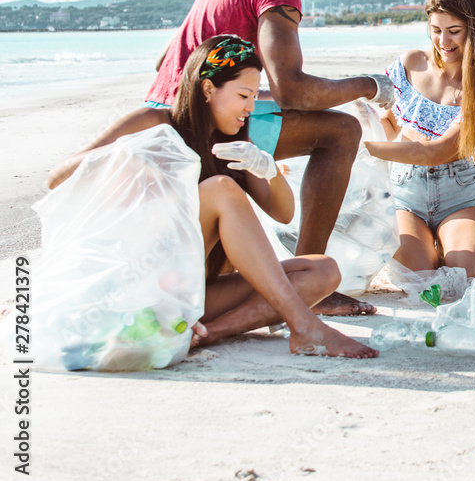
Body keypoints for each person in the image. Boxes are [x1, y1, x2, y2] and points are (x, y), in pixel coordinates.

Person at [50, 36, 378, 359]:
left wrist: (269, 170)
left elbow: (283, 212)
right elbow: (57, 179)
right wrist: (133, 159)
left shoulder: (235, 143)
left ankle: (207, 333)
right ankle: (305, 327)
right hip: (141, 290)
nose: (251, 107)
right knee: (221, 188)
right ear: (208, 89)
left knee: (323, 272)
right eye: (244, 95)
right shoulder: (154, 124)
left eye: (254, 96)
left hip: (196, 291)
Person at [146, 0, 391, 317]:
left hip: (161, 113)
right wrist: (372, 86)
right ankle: (311, 280)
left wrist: (254, 103)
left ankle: (294, 273)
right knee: (341, 132)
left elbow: (165, 58)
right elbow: (293, 90)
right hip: (194, 130)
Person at [363, 0, 475, 279]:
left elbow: (434, 153)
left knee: (468, 276)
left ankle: (448, 240)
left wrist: (361, 148)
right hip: (404, 192)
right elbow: (387, 123)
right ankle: (426, 244)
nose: (443, 40)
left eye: (454, 30)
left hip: (458, 194)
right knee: (417, 279)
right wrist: (360, 131)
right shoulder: (412, 63)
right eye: (436, 29)